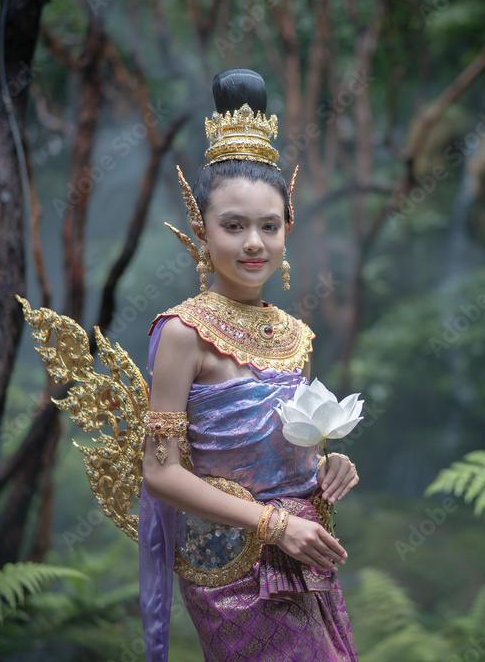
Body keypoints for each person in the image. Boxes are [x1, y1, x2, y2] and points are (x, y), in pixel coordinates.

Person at [138, 68, 360, 661]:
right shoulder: (184, 332)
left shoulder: (296, 335)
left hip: (305, 550)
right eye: (233, 226)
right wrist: (271, 524)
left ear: (287, 229)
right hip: (229, 567)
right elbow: (160, 474)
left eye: (269, 225)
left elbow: (289, 454)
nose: (253, 242)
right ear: (201, 231)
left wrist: (330, 465)